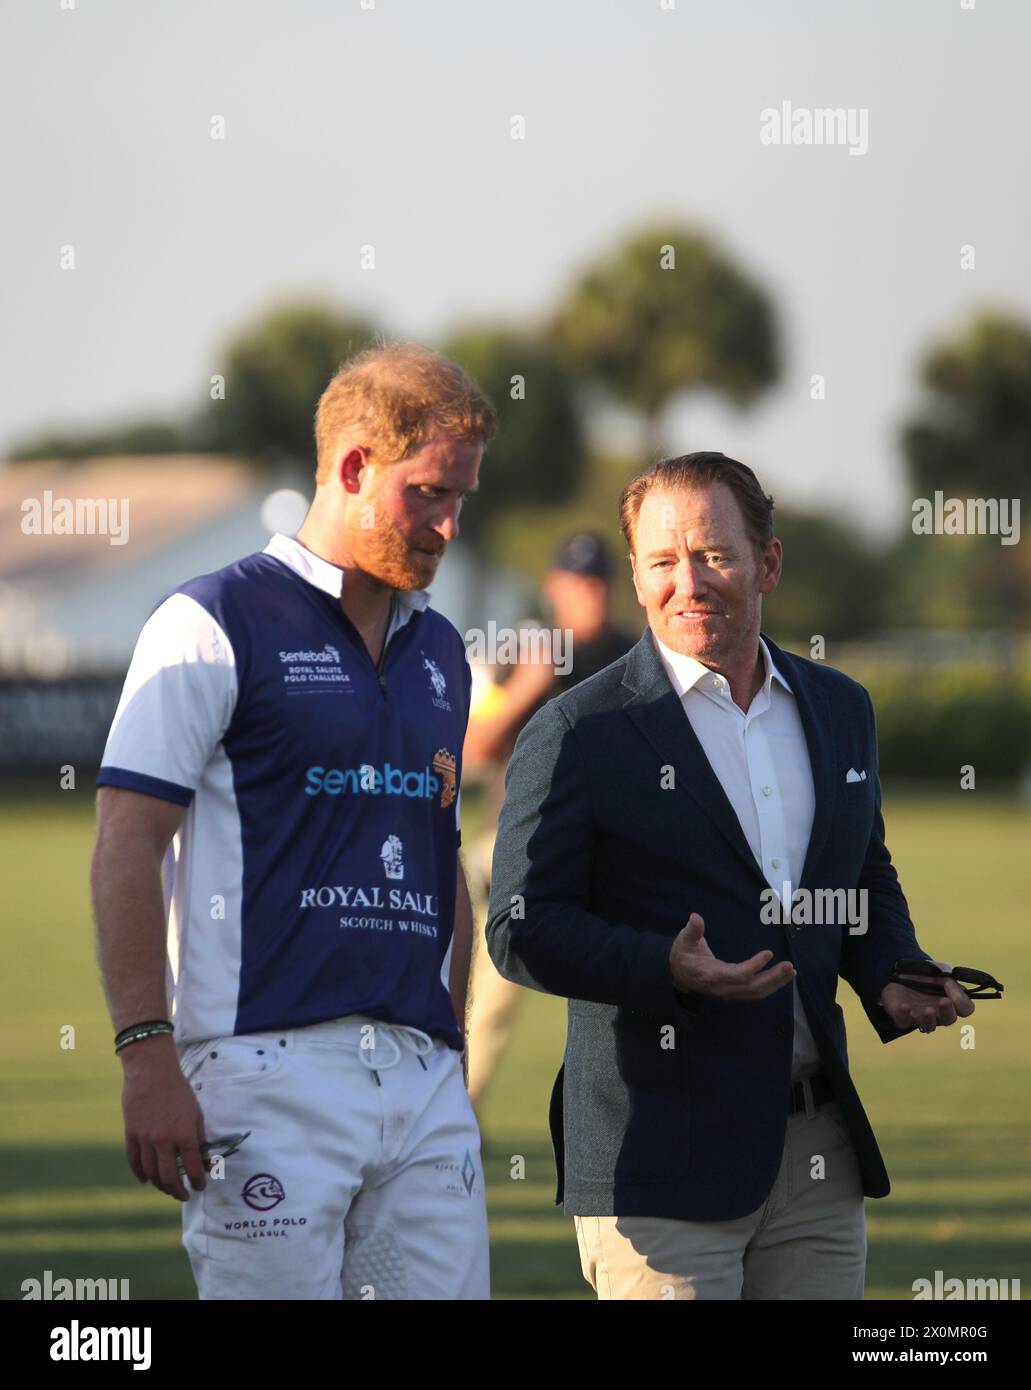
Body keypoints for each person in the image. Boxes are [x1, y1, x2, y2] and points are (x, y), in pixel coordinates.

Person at [486, 451, 974, 1300]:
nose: (688, 584)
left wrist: (891, 971)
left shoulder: (838, 707)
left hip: (818, 1156)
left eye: (712, 555)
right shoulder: (578, 731)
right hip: (657, 1159)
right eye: (662, 563)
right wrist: (662, 968)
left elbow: (858, 870)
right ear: (636, 577)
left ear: (767, 564)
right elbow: (521, 927)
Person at [91, 342, 497, 1300]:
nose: (446, 524)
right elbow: (127, 843)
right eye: (429, 493)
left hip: (422, 1075)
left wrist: (454, 1046)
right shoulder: (210, 620)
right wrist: (147, 1055)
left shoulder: (442, 648)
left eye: (460, 501)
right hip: (264, 1069)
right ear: (355, 468)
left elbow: (441, 863)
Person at [462, 533, 636, 1110]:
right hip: (520, 847)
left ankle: (630, 1111)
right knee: (485, 1000)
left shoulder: (632, 656)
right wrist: (526, 690)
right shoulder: (522, 649)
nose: (587, 596)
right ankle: (455, 1118)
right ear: (553, 586)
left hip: (611, 851)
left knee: (622, 988)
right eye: (576, 583)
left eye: (597, 584)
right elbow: (471, 752)